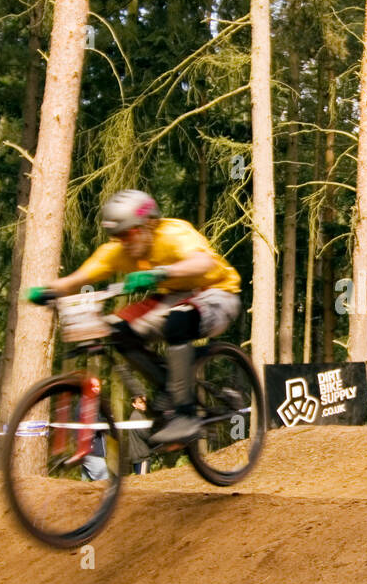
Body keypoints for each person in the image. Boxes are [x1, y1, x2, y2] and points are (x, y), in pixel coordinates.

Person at [25, 189, 242, 446]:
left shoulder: (174, 233)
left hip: (219, 294)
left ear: (149, 224)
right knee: (116, 329)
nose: (123, 242)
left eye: (128, 233)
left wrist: (161, 273)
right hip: (174, 296)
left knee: (178, 321)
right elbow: (78, 279)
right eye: (117, 236)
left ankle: (186, 414)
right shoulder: (118, 251)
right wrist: (48, 291)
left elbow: (203, 263)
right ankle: (168, 386)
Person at [126, 395, 153, 475]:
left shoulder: (139, 415)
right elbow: (145, 434)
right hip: (141, 456)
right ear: (134, 405)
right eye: (140, 402)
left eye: (144, 402)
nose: (143, 404)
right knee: (143, 482)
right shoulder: (137, 416)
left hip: (140, 455)